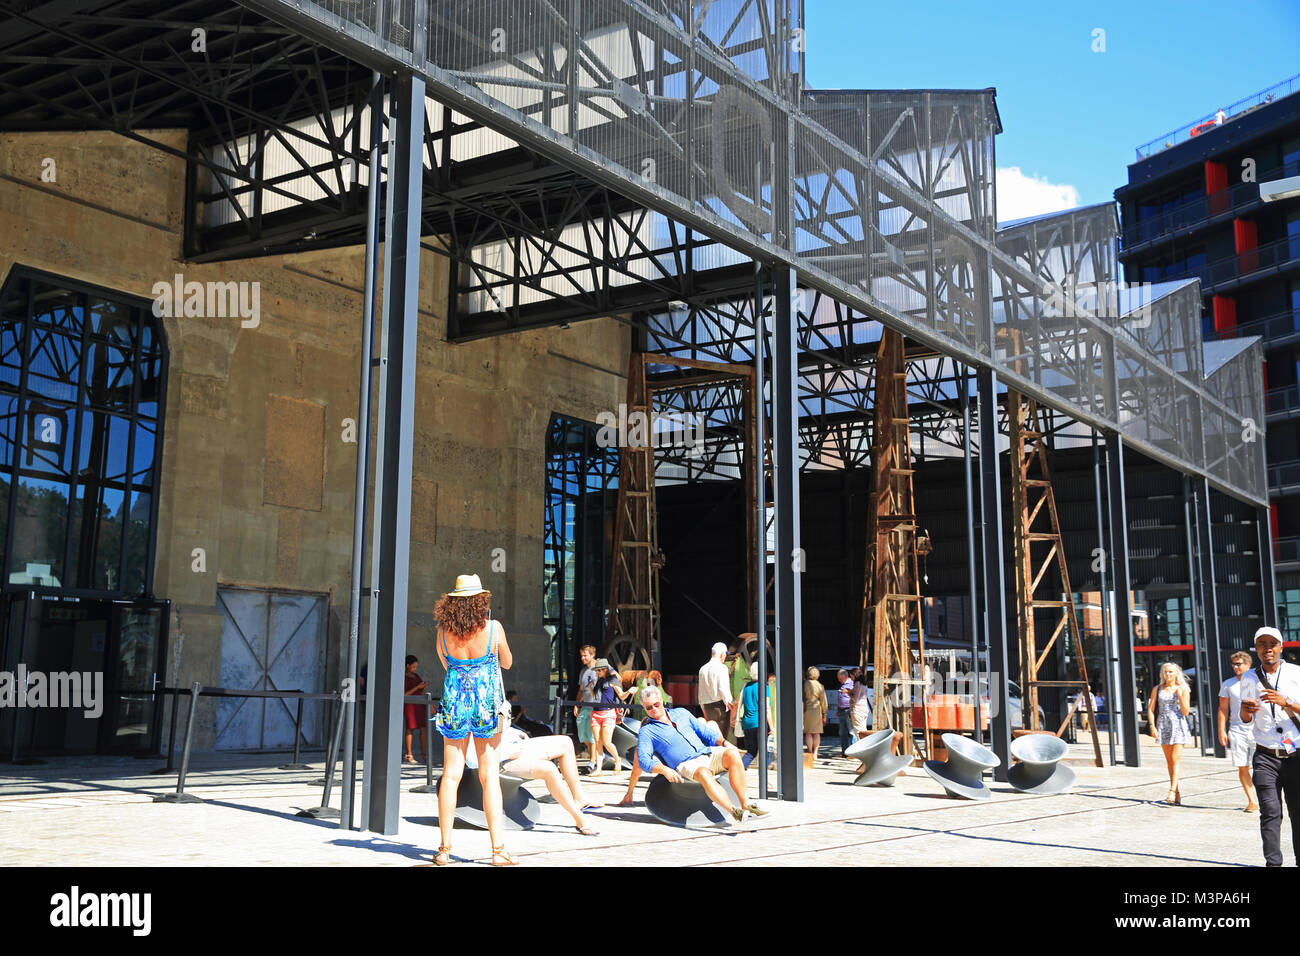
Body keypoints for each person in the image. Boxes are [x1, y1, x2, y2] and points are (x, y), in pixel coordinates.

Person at [431, 573, 516, 867]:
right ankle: (498, 850)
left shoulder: (443, 632)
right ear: (481, 601)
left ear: (452, 604)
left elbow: (446, 665)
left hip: (454, 705)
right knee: (488, 775)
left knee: (450, 775)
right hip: (485, 706)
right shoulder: (493, 628)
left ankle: (443, 850)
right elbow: (507, 662)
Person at [634, 685, 768, 823]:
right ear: (644, 708)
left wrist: (725, 743)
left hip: (706, 753)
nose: (654, 710)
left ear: (661, 700)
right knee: (704, 773)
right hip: (686, 764)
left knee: (732, 754)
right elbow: (643, 760)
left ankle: (746, 804)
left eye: (656, 704)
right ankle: (735, 811)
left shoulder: (681, 713)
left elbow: (705, 733)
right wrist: (664, 769)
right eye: (649, 707)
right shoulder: (647, 731)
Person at [1239, 626, 1300, 867]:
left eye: (1272, 644)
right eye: (1262, 644)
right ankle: (1273, 864)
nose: (1267, 649)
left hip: (1296, 755)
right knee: (1270, 813)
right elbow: (1244, 718)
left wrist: (1287, 702)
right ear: (1257, 649)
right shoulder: (1249, 678)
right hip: (1265, 755)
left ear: (1281, 647)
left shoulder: (1296, 673)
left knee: (1298, 814)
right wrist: (1245, 710)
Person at [493, 725, 601, 836]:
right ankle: (579, 819)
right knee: (549, 768)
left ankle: (579, 798)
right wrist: (506, 753)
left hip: (512, 744)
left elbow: (499, 725)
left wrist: (515, 733)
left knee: (566, 742)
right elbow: (475, 745)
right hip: (497, 758)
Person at [1218, 651, 1259, 812]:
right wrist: (1221, 730)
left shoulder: (1257, 682)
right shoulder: (1228, 684)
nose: (1236, 667)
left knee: (1261, 766)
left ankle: (1266, 796)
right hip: (1237, 730)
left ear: (1248, 665)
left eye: (1239, 664)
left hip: (1258, 729)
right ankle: (1252, 800)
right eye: (1234, 664)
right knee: (1243, 765)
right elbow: (1222, 709)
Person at [1147, 661, 1193, 805]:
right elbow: (1151, 708)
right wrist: (1152, 726)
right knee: (1169, 761)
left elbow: (1186, 711)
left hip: (1178, 725)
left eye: (1171, 672)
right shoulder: (1158, 688)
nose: (1168, 674)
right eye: (1166, 671)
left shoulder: (1183, 689)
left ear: (1176, 673)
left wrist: (1180, 696)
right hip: (1163, 724)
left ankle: (1172, 791)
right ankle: (1177, 793)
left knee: (1175, 758)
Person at [589, 659, 634, 776]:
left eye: (599, 670)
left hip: (608, 713)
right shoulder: (600, 681)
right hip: (595, 713)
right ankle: (598, 769)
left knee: (607, 742)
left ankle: (617, 759)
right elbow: (596, 697)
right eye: (596, 670)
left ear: (605, 669)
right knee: (598, 742)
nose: (597, 672)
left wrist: (629, 691)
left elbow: (621, 696)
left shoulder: (613, 680)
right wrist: (590, 689)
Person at [735, 661, 774, 762]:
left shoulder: (745, 687)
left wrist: (732, 718)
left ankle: (741, 770)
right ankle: (764, 773)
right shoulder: (765, 687)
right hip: (759, 723)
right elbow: (767, 709)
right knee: (766, 750)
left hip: (747, 723)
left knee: (751, 752)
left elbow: (737, 704)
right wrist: (772, 727)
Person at [698, 642, 734, 740]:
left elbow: (700, 694)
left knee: (710, 737)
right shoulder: (722, 668)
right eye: (725, 655)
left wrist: (704, 710)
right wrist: (731, 706)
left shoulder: (702, 669)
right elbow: (723, 689)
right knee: (721, 739)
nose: (725, 657)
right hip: (719, 708)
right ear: (722, 654)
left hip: (707, 708)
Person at [573, 644, 598, 772]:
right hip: (585, 706)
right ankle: (597, 756)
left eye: (585, 655)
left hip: (597, 706)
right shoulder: (583, 671)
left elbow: (615, 679)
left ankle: (592, 761)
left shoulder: (600, 668)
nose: (582, 658)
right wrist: (577, 704)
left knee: (592, 734)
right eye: (581, 655)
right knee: (583, 733)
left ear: (592, 655)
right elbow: (581, 690)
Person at [403, 655, 429, 764]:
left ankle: (424, 754)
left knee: (423, 729)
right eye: (413, 667)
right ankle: (409, 754)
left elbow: (420, 690)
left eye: (416, 667)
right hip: (409, 705)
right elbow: (404, 694)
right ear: (407, 666)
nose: (415, 669)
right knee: (410, 728)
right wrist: (417, 688)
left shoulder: (416, 676)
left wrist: (423, 687)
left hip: (419, 704)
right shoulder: (404, 677)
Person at [803, 666, 828, 757]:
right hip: (817, 710)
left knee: (808, 732)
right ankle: (815, 752)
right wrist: (824, 713)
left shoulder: (804, 684)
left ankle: (809, 751)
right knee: (817, 733)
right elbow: (824, 701)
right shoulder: (820, 685)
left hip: (806, 710)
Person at [849, 668, 873, 739]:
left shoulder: (857, 684)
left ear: (855, 675)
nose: (851, 678)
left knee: (859, 732)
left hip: (857, 710)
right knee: (863, 731)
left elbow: (855, 698)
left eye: (851, 676)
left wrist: (848, 694)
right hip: (864, 710)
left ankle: (864, 748)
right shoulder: (864, 684)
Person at [835, 669, 854, 755]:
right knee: (842, 732)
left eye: (839, 678)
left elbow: (854, 696)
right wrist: (838, 710)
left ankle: (853, 753)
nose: (838, 680)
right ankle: (845, 752)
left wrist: (851, 710)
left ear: (845, 676)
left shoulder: (851, 684)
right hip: (842, 711)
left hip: (848, 710)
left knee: (851, 732)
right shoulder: (842, 685)